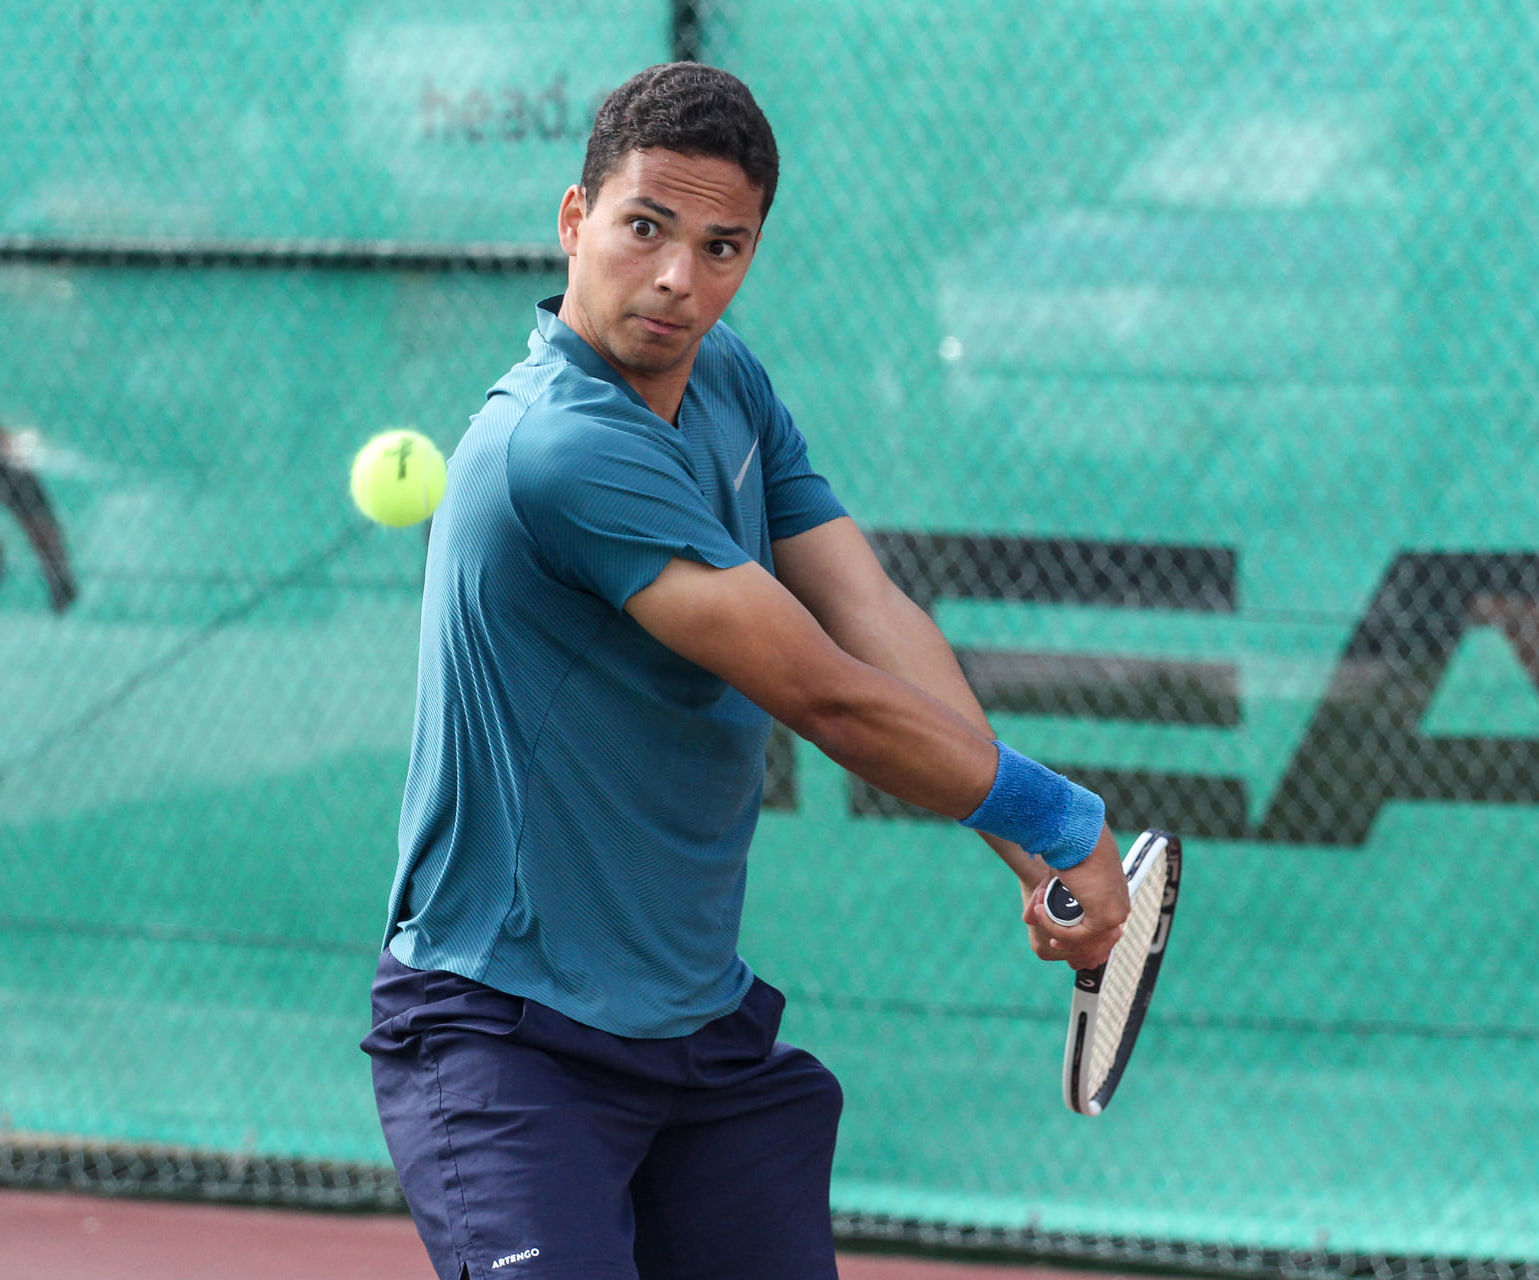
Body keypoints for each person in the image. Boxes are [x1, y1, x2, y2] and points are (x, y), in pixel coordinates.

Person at [362, 62, 1130, 1280]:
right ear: (576, 222)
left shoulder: (727, 382)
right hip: (512, 1040)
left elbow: (869, 610)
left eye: (723, 247)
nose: (678, 278)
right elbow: (819, 688)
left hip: (693, 1031)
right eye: (645, 228)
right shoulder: (556, 447)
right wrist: (1057, 812)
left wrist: (1033, 860)